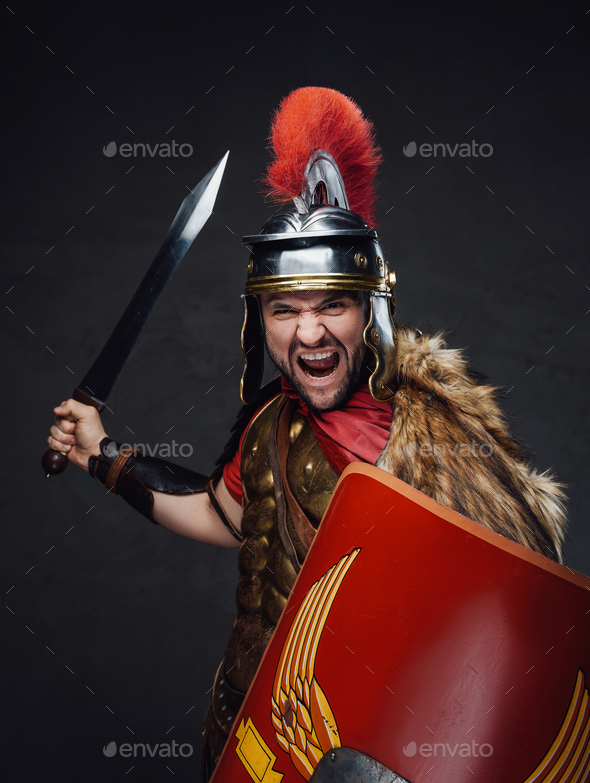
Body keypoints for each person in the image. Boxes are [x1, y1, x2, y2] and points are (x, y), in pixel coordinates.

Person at [46, 87, 567, 780]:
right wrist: (99, 453)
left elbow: (502, 630)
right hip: (249, 738)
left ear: (370, 312)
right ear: (261, 322)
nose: (309, 331)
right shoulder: (270, 421)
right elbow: (220, 513)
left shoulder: (432, 442)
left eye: (332, 305)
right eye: (285, 308)